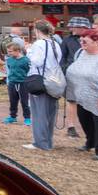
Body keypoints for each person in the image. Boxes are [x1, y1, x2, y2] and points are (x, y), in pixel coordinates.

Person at [65, 27, 98, 159]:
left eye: (85, 41)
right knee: (85, 121)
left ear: (97, 42)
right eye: (81, 40)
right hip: (81, 96)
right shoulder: (82, 52)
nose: (81, 43)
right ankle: (90, 142)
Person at [23, 19, 62, 151]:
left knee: (39, 113)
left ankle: (40, 143)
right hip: (54, 80)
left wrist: (28, 51)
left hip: (40, 80)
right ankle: (47, 141)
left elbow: (37, 61)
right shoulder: (55, 43)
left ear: (37, 31)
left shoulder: (39, 43)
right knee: (50, 113)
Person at [63, 17, 90, 137]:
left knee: (88, 102)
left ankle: (90, 130)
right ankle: (71, 127)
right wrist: (65, 70)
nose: (72, 28)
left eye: (75, 26)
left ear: (84, 28)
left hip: (90, 75)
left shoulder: (95, 39)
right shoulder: (67, 40)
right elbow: (62, 58)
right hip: (72, 75)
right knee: (71, 100)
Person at [3, 40, 30, 125]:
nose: (9, 53)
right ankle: (12, 117)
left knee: (24, 101)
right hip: (12, 83)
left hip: (23, 83)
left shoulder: (26, 60)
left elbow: (28, 71)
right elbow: (9, 69)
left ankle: (27, 118)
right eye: (8, 51)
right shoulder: (9, 60)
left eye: (10, 51)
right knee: (13, 101)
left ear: (17, 51)